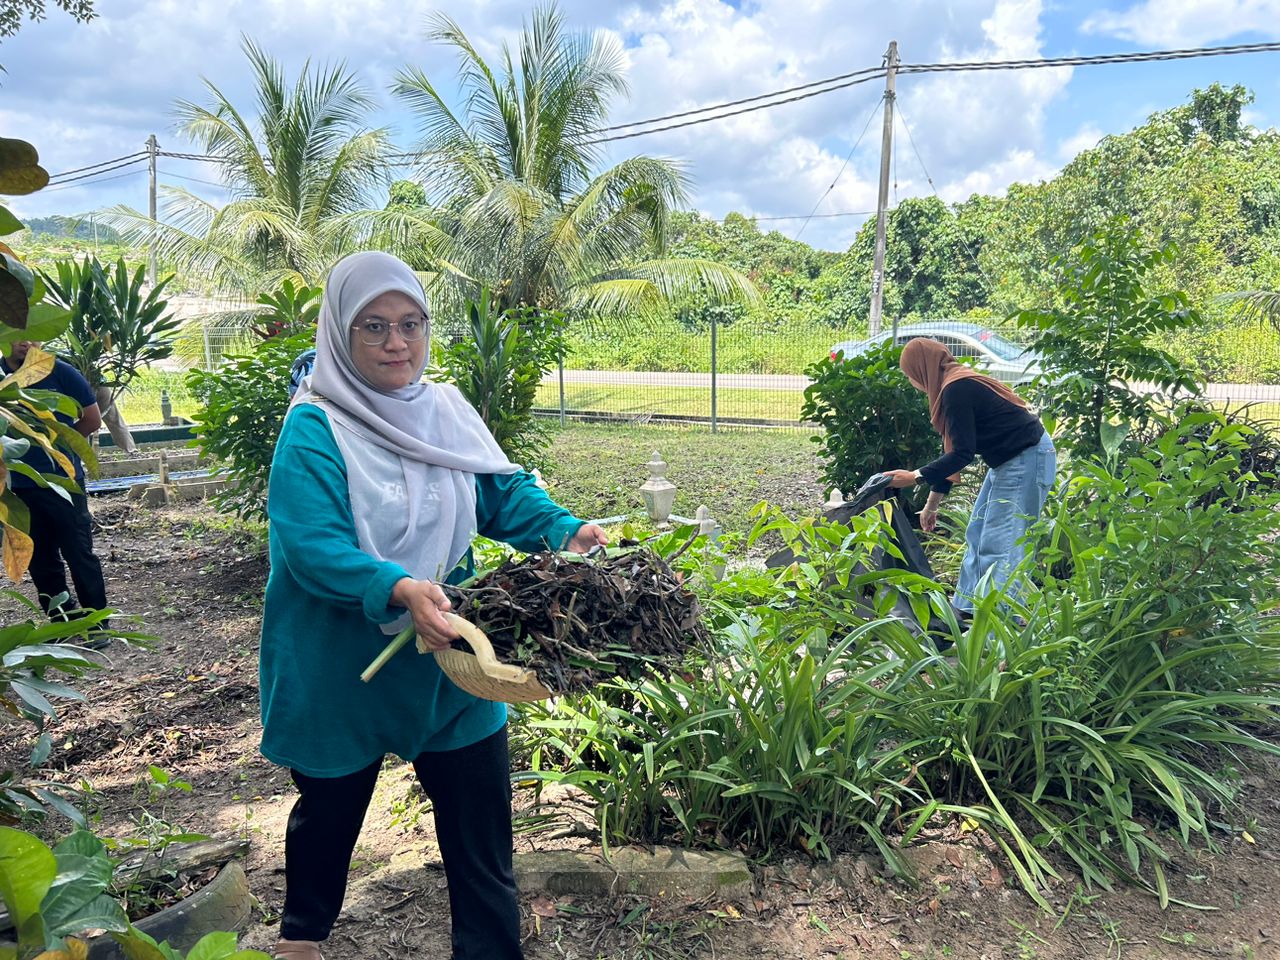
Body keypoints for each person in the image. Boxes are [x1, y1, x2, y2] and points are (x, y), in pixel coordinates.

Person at [261, 252, 607, 960]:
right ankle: (302, 938)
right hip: (338, 658)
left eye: (412, 324)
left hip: (452, 650)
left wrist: (567, 529)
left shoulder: (444, 410)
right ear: (340, 334)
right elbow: (312, 545)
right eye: (375, 327)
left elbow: (498, 493)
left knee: (480, 821)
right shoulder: (315, 428)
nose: (398, 344)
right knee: (329, 811)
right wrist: (395, 586)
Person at [884, 337, 1055, 617]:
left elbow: (962, 454)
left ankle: (997, 635)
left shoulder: (956, 389)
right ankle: (964, 615)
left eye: (909, 376)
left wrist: (914, 477)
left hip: (1027, 458)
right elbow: (954, 449)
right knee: (977, 533)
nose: (913, 383)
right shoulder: (954, 382)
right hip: (1011, 460)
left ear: (920, 369)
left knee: (1001, 546)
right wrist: (931, 506)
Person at [1, 339, 109, 636]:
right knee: (39, 558)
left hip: (62, 480)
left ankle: (97, 625)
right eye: (16, 333)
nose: (24, 341)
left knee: (79, 552)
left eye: (32, 333)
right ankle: (62, 622)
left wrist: (57, 445)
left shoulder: (61, 373)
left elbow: (92, 418)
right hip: (18, 485)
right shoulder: (2, 380)